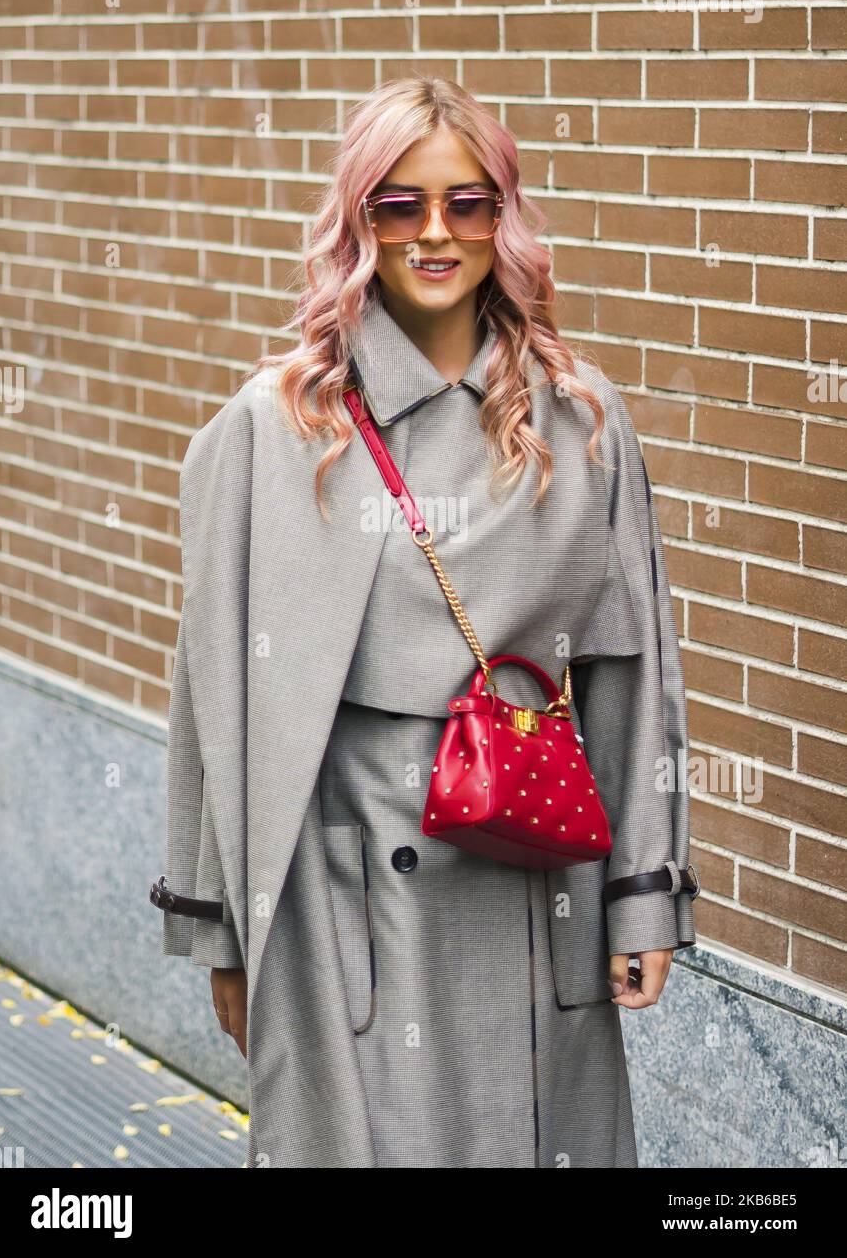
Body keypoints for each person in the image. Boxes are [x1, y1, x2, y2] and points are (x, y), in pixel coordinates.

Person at [152, 76, 699, 1169]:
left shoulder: (579, 417)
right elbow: (215, 697)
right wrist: (221, 927)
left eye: (467, 202)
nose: (434, 233)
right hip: (342, 891)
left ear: (505, 216)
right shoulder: (272, 428)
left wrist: (644, 895)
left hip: (532, 868)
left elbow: (633, 676)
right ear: (357, 223)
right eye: (397, 205)